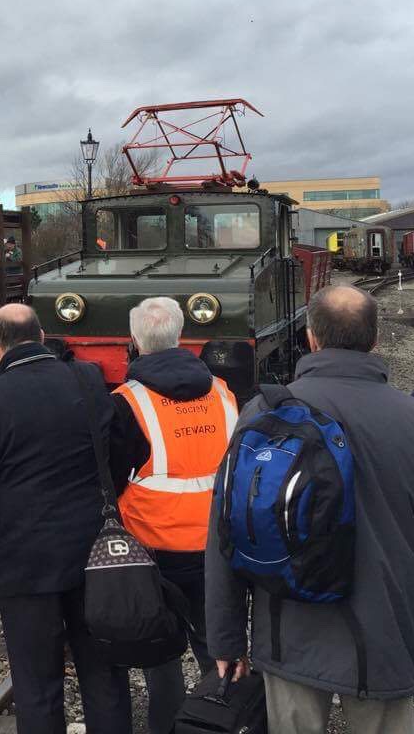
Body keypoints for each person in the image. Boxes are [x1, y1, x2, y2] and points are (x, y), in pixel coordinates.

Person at [205, 284, 414, 734]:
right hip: (386, 636)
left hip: (289, 631)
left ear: (310, 338)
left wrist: (226, 638)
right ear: (376, 339)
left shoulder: (263, 413)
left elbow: (226, 530)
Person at [0, 304, 138, 734]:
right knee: (105, 675)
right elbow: (129, 448)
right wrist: (104, 492)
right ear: (41, 337)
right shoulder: (88, 380)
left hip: (26, 559)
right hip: (94, 553)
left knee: (36, 684)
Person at [111, 298, 238, 734]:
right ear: (181, 337)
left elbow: (112, 480)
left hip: (153, 549)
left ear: (134, 343)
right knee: (215, 645)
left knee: (161, 650)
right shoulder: (223, 393)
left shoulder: (127, 402)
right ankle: (219, 721)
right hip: (214, 547)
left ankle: (166, 727)